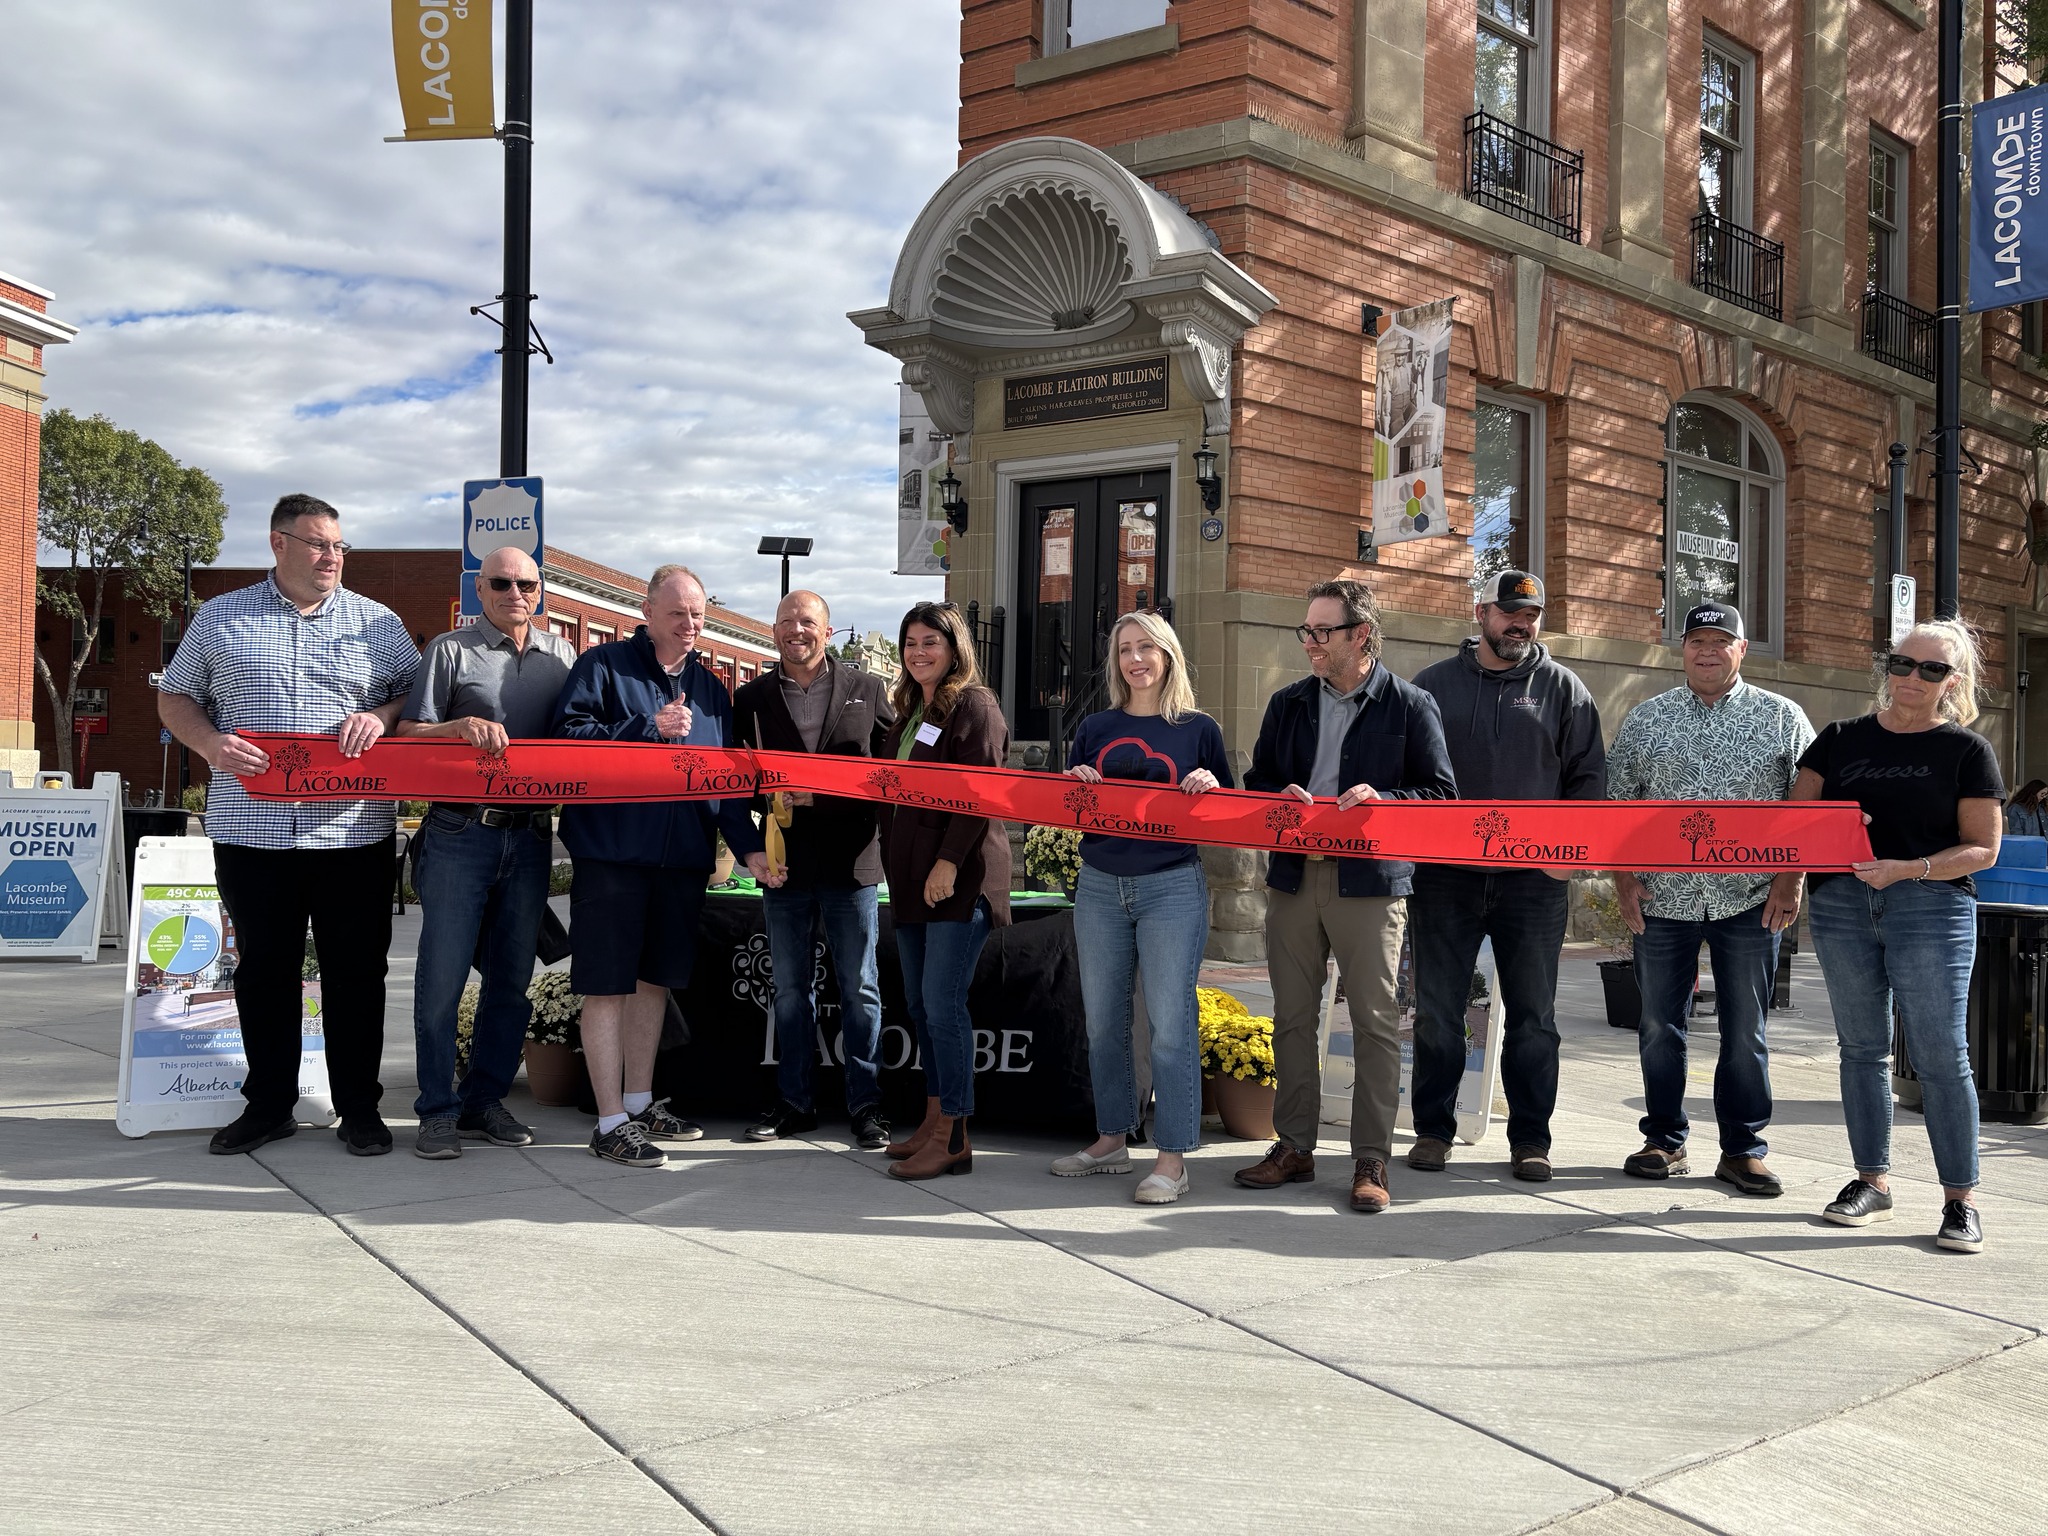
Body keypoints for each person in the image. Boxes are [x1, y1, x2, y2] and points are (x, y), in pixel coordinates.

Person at [157, 493, 420, 1157]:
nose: (332, 556)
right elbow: (174, 694)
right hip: (252, 833)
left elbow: (418, 697)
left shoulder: (378, 623)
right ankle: (269, 1104)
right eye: (317, 543)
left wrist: (383, 719)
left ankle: (359, 1108)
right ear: (278, 544)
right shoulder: (220, 618)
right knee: (265, 971)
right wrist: (212, 745)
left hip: (352, 834)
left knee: (356, 973)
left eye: (339, 545)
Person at [1235, 577, 1458, 1213]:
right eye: (1305, 630)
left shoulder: (1411, 706)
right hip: (1294, 878)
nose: (1310, 641)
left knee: (1375, 1024)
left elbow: (1441, 798)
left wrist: (1385, 802)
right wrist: (1276, 796)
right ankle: (1294, 1147)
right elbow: (1259, 783)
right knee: (1293, 1018)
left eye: (1322, 631)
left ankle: (1372, 1159)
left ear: (1361, 635)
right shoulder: (1287, 703)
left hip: (1371, 884)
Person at [551, 565, 776, 1168]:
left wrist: (747, 845)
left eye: (698, 614)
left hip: (681, 862)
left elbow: (726, 784)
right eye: (677, 613)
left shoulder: (711, 690)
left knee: (654, 982)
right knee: (606, 984)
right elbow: (567, 741)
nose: (689, 624)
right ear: (647, 613)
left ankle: (640, 1101)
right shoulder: (602, 668)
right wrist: (645, 727)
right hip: (613, 856)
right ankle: (608, 1122)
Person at [1790, 621, 2001, 1253]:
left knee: (1940, 1055)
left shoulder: (1966, 751)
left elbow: (1983, 850)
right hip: (1843, 905)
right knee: (1860, 1050)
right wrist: (1815, 853)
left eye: (1931, 670)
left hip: (1929, 906)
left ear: (1951, 683)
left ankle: (1960, 1200)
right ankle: (1871, 1183)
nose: (1912, 678)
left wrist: (1906, 869)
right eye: (1902, 663)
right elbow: (1797, 820)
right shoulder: (1840, 739)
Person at [1605, 603, 1814, 1196]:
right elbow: (1617, 806)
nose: (1707, 650)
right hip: (1662, 897)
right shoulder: (1647, 719)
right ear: (1682, 649)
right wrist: (1624, 881)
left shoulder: (1783, 719)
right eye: (1697, 640)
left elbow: (1809, 812)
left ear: (1742, 650)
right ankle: (1664, 1140)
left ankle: (1743, 1149)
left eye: (1721, 641)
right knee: (1655, 1025)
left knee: (1745, 1027)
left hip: (1750, 901)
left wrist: (1789, 881)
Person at [1409, 571, 1606, 1182]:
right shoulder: (1432, 687)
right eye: (1508, 612)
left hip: (1534, 883)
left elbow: (1588, 782)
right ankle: (1433, 1131)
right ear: (1480, 614)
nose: (1520, 622)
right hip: (1446, 879)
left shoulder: (1564, 690)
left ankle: (1530, 1141)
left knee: (1533, 1016)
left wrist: (1571, 854)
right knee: (1438, 1011)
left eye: (1532, 613)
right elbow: (1405, 772)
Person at [395, 547, 575, 1159]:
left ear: (540, 588)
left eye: (527, 583)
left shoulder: (562, 655)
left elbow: (578, 739)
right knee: (441, 980)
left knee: (512, 982)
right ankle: (436, 1109)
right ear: (480, 587)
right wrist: (458, 727)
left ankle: (482, 1099)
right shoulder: (449, 649)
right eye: (502, 582)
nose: (515, 593)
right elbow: (406, 736)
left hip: (529, 838)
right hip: (457, 834)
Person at [1051, 611, 1234, 1204]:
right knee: (1103, 1019)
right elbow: (1068, 807)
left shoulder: (1198, 728)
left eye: (1146, 648)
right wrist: (1072, 781)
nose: (1135, 659)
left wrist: (1211, 785)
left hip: (1172, 886)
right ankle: (1111, 1139)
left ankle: (1173, 1157)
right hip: (1101, 884)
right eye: (1125, 649)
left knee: (1169, 1024)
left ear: (1168, 656)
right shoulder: (1096, 727)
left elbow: (1231, 807)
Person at [732, 589, 897, 1150]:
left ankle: (866, 1106)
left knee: (860, 990)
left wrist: (817, 800)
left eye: (807, 621)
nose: (795, 630)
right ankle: (794, 1104)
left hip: (852, 866)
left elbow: (889, 778)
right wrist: (752, 848)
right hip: (783, 869)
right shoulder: (750, 697)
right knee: (789, 991)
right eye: (785, 622)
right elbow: (734, 785)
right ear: (772, 631)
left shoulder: (868, 690)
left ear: (828, 631)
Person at [878, 601, 1010, 1180]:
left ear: (955, 647)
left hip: (959, 878)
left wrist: (949, 862)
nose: (919, 652)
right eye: (911, 642)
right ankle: (933, 1123)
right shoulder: (911, 711)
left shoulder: (974, 704)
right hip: (909, 884)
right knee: (920, 1006)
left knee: (943, 1005)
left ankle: (955, 1133)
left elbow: (978, 790)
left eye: (931, 641)